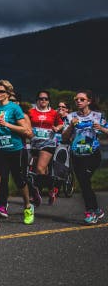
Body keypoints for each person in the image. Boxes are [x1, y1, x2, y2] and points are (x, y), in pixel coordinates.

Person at [0, 80, 34, 226]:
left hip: (14, 149)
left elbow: (27, 131)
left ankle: (28, 207)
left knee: (19, 180)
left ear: (9, 93)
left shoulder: (15, 109)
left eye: (1, 91)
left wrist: (8, 124)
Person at [62, 90, 107, 224]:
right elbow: (65, 137)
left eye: (82, 99)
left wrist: (101, 128)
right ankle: (96, 210)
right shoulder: (70, 117)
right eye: (77, 99)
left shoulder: (98, 116)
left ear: (89, 101)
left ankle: (90, 212)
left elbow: (107, 131)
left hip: (93, 155)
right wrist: (71, 125)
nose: (79, 101)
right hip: (77, 155)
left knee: (84, 181)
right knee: (84, 183)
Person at [27, 90, 64, 205]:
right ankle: (52, 188)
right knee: (37, 170)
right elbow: (25, 124)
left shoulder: (53, 113)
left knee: (39, 168)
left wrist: (57, 128)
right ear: (37, 100)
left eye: (46, 99)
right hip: (34, 144)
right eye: (41, 98)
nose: (43, 100)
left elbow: (61, 123)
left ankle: (35, 194)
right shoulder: (31, 112)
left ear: (48, 101)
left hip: (48, 143)